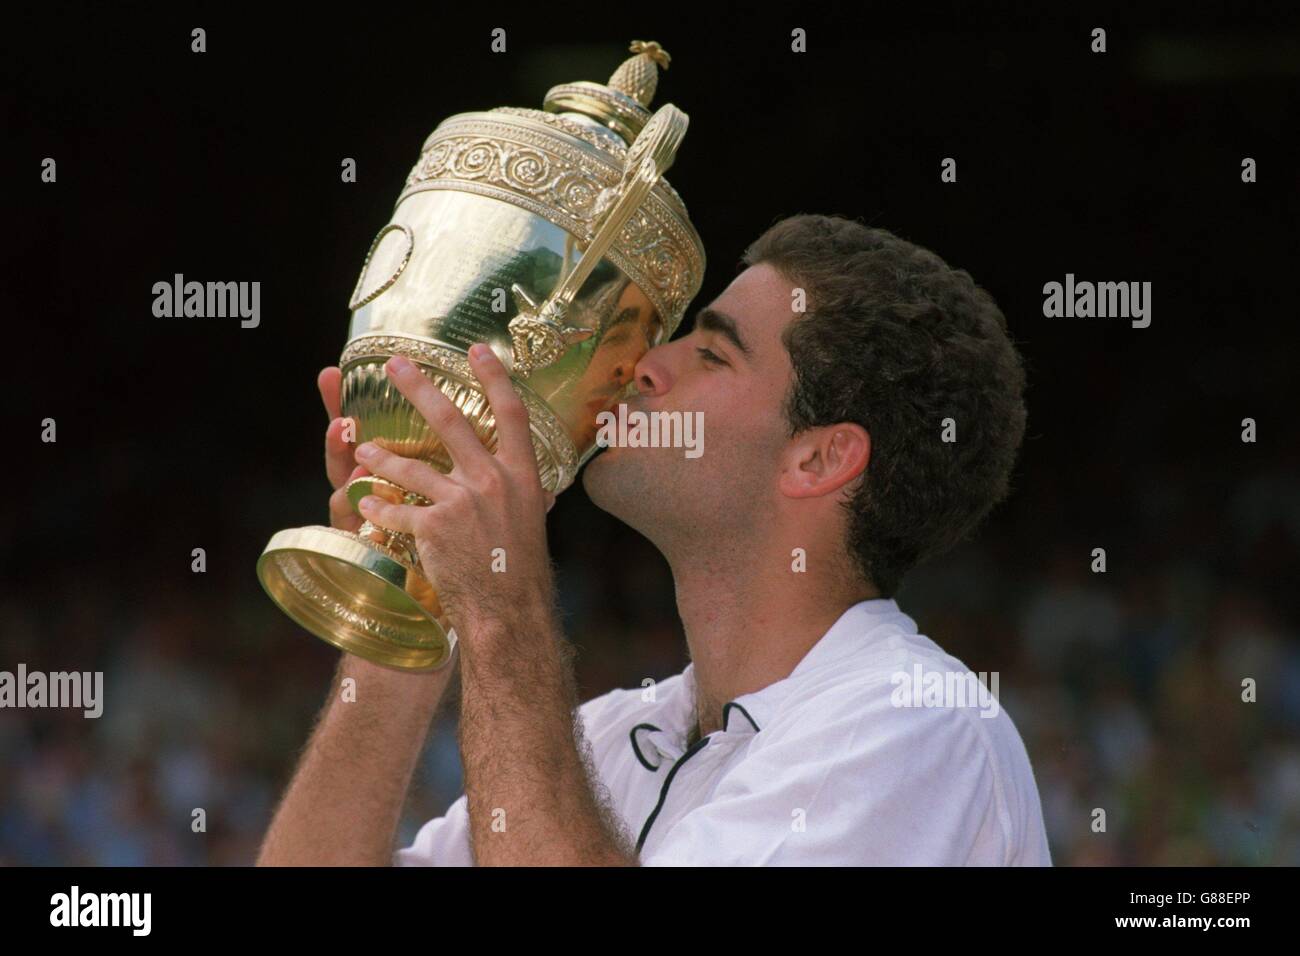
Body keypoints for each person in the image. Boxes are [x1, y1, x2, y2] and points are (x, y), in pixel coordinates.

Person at [256, 213, 1052, 866]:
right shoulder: (613, 740)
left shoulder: (912, 728)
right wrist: (403, 598)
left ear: (818, 457)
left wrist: (502, 608)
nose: (644, 364)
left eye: (711, 352)